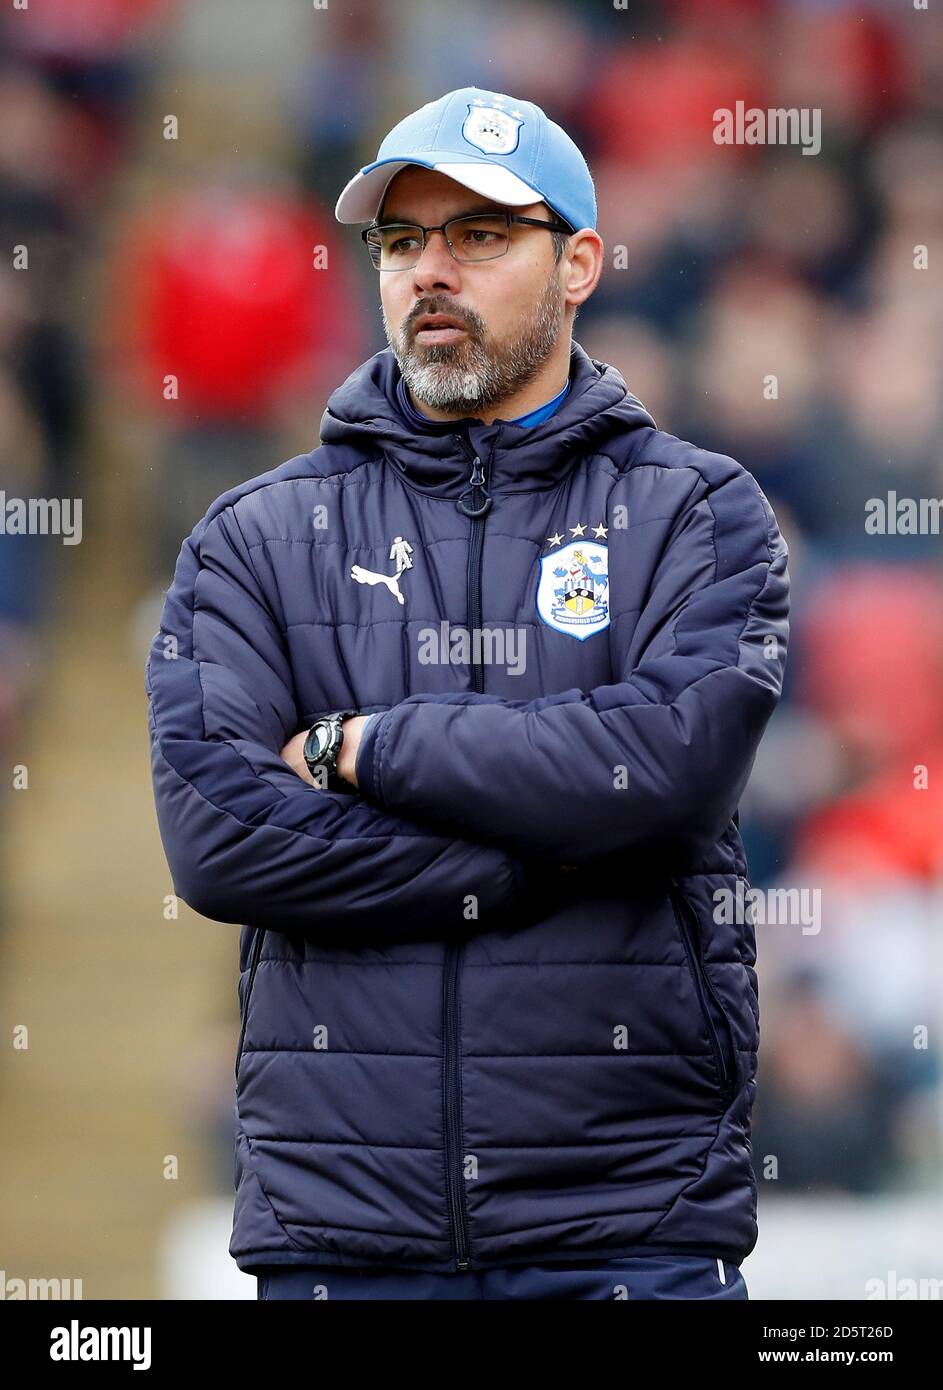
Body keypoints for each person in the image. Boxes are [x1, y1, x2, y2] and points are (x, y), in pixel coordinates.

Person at [145, 86, 789, 1301]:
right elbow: (221, 843)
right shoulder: (258, 537)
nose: (430, 271)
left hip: (626, 1230)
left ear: (580, 261)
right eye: (402, 243)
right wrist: (542, 852)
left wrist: (365, 747)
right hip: (341, 1238)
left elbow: (664, 775)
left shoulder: (698, 513)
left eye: (479, 235)